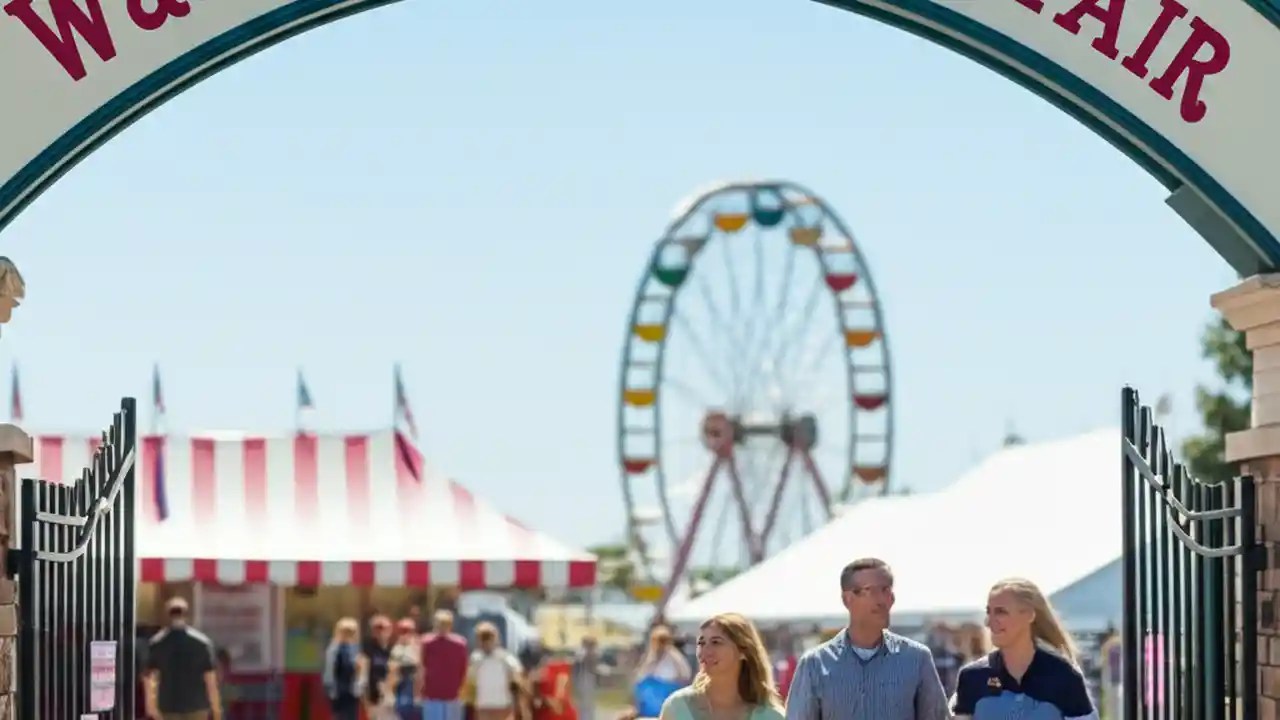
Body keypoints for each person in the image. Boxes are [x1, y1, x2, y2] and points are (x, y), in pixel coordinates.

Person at [784, 558, 950, 720]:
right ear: (847, 599)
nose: (882, 600)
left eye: (886, 590)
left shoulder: (917, 659)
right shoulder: (815, 665)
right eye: (872, 590)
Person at [951, 577, 1098, 720]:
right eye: (989, 612)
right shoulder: (971, 677)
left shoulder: (1064, 675)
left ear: (1029, 615)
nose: (988, 621)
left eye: (1001, 612)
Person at [656, 612, 783, 720]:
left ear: (743, 652)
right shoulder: (677, 707)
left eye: (716, 642)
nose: (705, 651)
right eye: (701, 643)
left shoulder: (770, 716)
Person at [143, 596, 223, 720]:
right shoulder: (202, 643)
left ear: (167, 615)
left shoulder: (157, 643)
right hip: (197, 706)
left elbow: (150, 678)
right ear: (186, 615)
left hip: (168, 706)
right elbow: (210, 679)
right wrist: (216, 708)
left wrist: (151, 707)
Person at [464, 621, 527, 720]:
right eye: (482, 639)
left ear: (495, 639)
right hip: (483, 704)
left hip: (502, 704)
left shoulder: (505, 657)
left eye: (489, 638)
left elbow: (517, 674)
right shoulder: (475, 658)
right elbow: (470, 679)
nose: (486, 642)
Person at [421, 609, 470, 720]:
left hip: (436, 693)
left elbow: (422, 668)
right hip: (447, 693)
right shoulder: (460, 643)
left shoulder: (426, 642)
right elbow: (464, 669)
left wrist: (419, 689)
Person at [324, 617, 366, 720]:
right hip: (338, 689)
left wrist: (360, 685)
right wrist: (331, 690)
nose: (348, 635)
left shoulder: (356, 648)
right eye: (345, 631)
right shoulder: (334, 648)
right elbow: (329, 670)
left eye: (351, 632)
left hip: (352, 690)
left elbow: (361, 670)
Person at [571, 636, 609, 720]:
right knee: (584, 704)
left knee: (588, 705)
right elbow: (589, 665)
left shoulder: (588, 652)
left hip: (588, 679)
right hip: (583, 679)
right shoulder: (582, 653)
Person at [364, 615, 395, 719]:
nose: (381, 632)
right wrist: (366, 699)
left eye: (384, 628)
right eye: (377, 628)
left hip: (391, 697)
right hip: (373, 698)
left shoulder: (393, 649)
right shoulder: (367, 649)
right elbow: (363, 675)